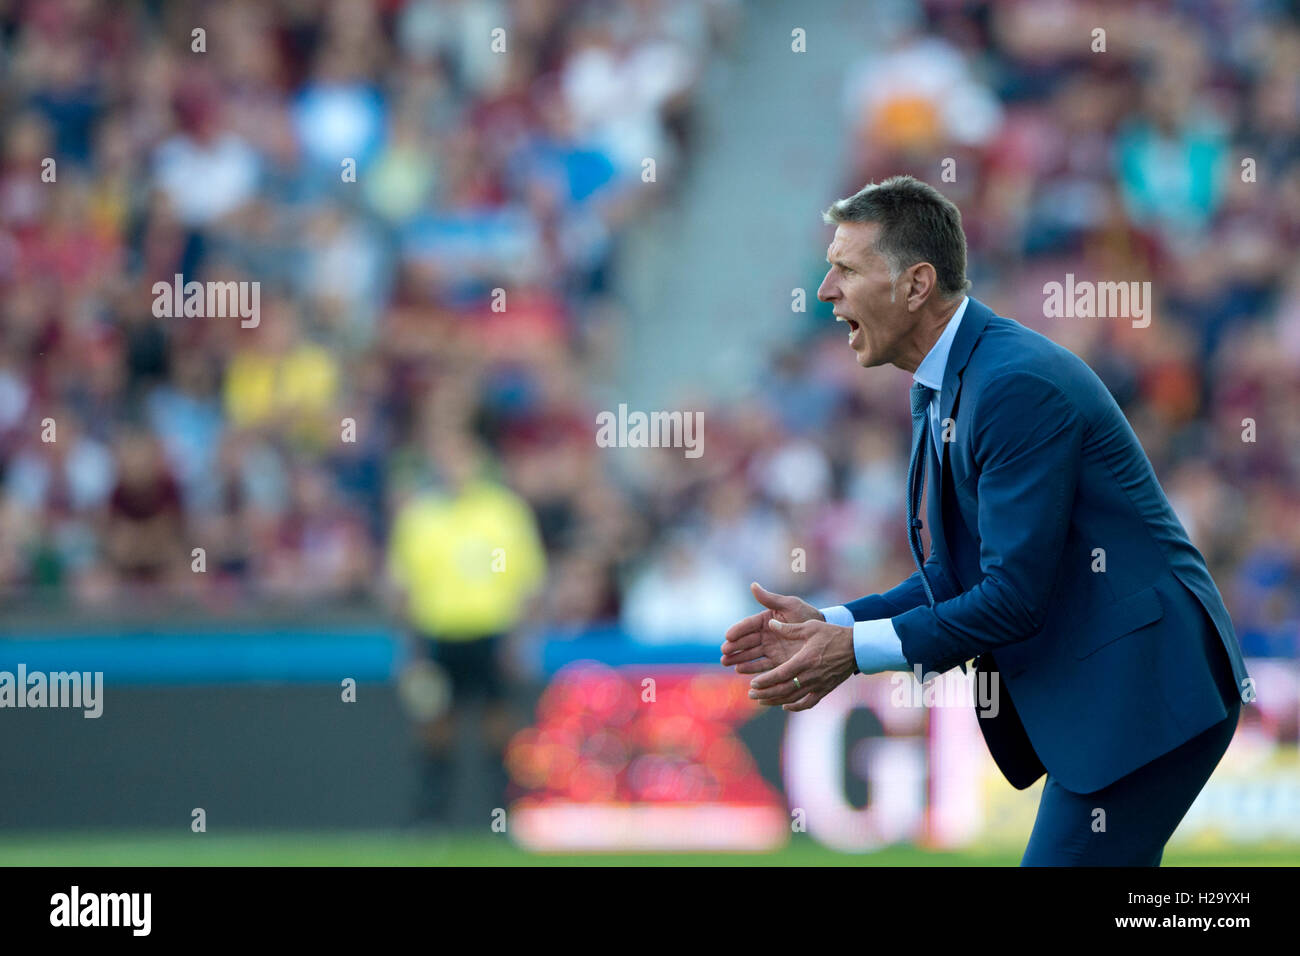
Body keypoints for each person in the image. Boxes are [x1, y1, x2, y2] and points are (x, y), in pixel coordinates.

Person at [720, 175, 1252, 866]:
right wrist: (837, 624)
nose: (825, 290)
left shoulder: (1011, 385)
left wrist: (852, 655)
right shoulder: (951, 382)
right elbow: (955, 574)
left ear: (916, 285)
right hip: (1125, 688)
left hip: (1148, 688)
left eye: (845, 268)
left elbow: (1012, 599)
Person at [387, 431, 546, 825]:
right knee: (435, 726)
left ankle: (504, 814)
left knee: (498, 724)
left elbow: (529, 583)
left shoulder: (504, 512)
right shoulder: (419, 516)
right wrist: (411, 650)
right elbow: (403, 587)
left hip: (491, 632)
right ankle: (430, 820)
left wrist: (519, 641)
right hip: (438, 634)